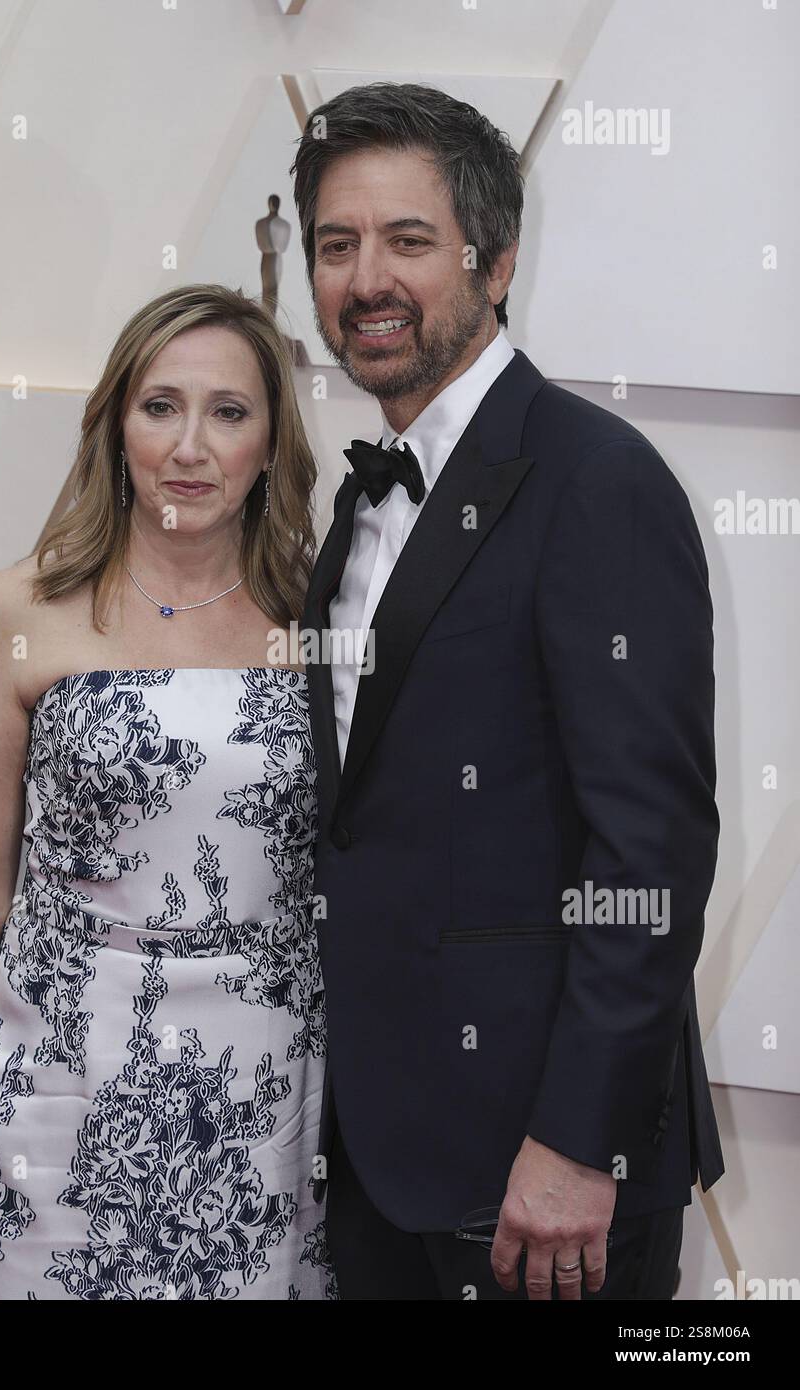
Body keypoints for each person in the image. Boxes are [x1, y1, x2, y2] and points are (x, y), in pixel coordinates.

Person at [291, 82, 724, 1300]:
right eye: (337, 244)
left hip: (545, 1179)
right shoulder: (359, 500)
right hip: (382, 1157)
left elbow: (650, 847)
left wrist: (580, 1141)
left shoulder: (597, 482)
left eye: (408, 240)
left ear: (496, 261)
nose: (366, 277)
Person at [0, 284, 337, 1300]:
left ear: (271, 443)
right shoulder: (21, 610)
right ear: (114, 428)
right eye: (160, 406)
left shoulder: (324, 616)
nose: (190, 445)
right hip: (58, 1105)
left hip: (264, 1105)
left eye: (228, 412)